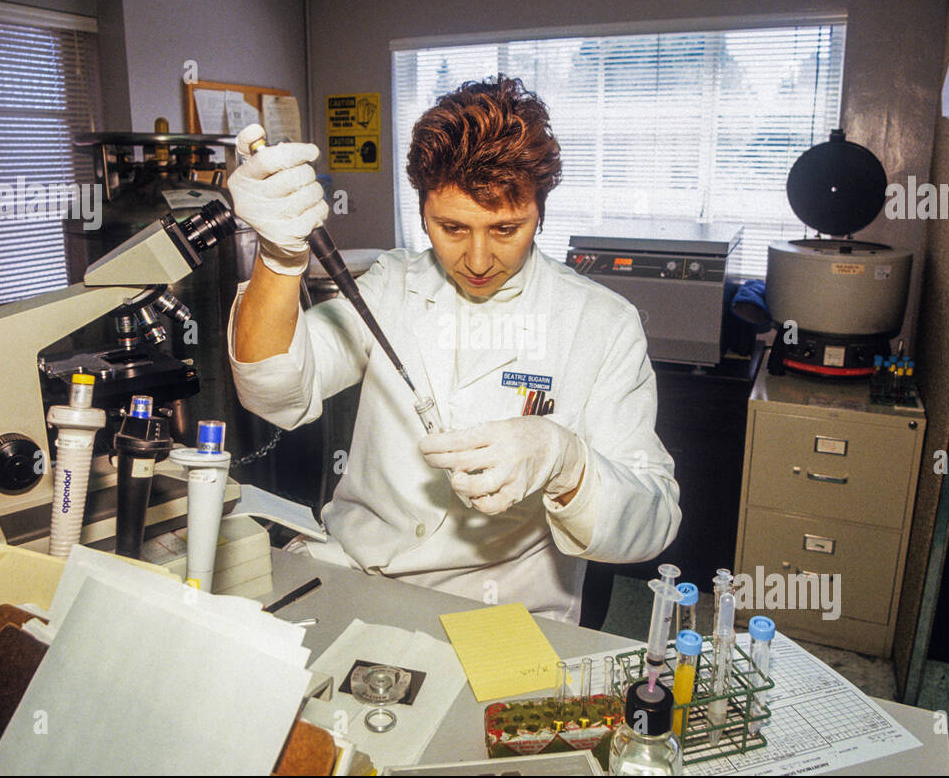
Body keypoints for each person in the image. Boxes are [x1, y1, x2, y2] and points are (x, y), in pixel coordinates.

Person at [227, 75, 679, 623]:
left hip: (502, 606)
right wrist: (278, 257)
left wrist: (565, 462)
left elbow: (653, 520)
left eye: (506, 229)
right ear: (422, 211)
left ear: (541, 213)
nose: (479, 259)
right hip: (355, 569)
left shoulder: (600, 323)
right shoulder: (391, 285)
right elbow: (274, 390)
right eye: (452, 228)